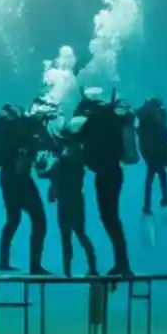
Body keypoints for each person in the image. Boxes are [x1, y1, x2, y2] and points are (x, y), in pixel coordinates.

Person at [74, 88, 139, 276]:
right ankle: (122, 263)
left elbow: (74, 136)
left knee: (110, 219)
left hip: (105, 174)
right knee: (112, 219)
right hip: (113, 172)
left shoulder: (91, 121)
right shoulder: (112, 117)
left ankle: (123, 264)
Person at [0, 102, 52, 275]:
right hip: (20, 179)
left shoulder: (12, 126)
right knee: (40, 220)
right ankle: (35, 266)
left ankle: (3, 261)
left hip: (6, 177)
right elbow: (48, 144)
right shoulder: (27, 127)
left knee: (13, 220)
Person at [36, 116, 99, 278]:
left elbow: (51, 172)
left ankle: (72, 270)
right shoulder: (75, 150)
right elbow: (50, 173)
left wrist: (43, 166)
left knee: (73, 234)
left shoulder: (71, 152)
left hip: (68, 199)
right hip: (72, 198)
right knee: (74, 234)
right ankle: (80, 269)